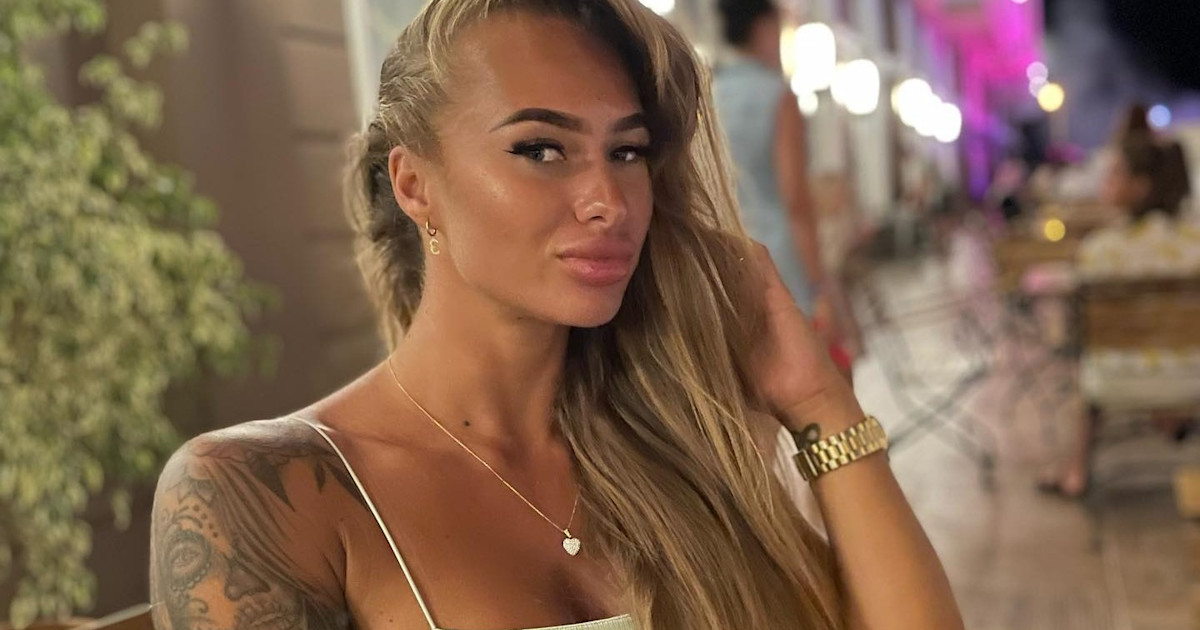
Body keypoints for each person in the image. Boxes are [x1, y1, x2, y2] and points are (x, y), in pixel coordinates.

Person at [149, 1, 963, 629]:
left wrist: (820, 407)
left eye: (627, 151)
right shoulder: (269, 493)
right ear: (414, 184)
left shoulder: (675, 446)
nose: (609, 200)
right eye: (541, 149)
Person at [1039, 134, 1200, 498]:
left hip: (1116, 381)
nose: (1104, 180)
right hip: (1194, 376)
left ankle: (1076, 471)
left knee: (1082, 361)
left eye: (1114, 172)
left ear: (1140, 186)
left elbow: (1074, 331)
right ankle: (1171, 419)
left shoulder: (1101, 250)